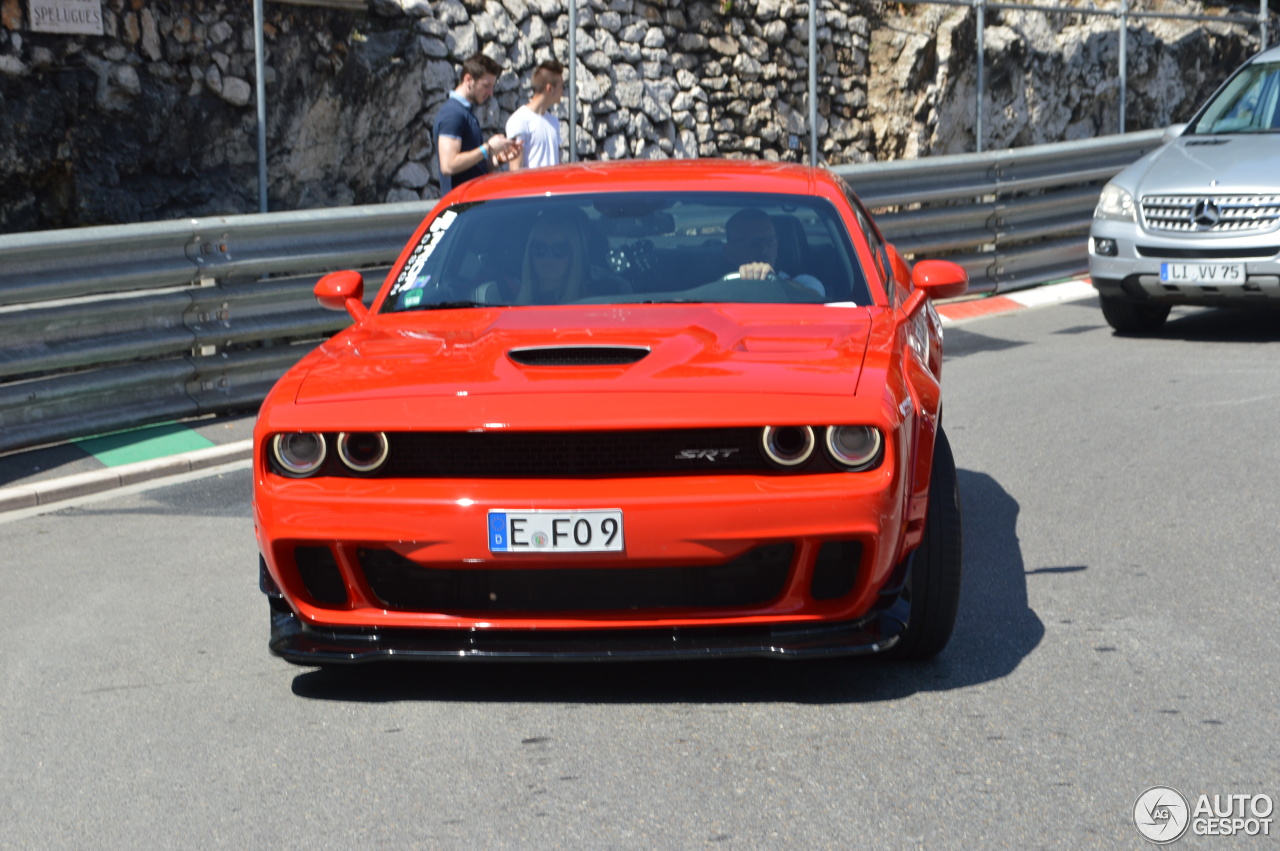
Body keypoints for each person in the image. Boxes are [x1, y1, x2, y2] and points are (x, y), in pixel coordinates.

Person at [434, 54, 521, 194]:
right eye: (486, 86)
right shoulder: (453, 114)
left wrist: (498, 159)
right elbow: (448, 166)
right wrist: (488, 148)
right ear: (468, 79)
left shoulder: (465, 112)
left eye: (492, 86)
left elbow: (471, 170)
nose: (491, 93)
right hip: (461, 207)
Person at [723, 208, 825, 296]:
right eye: (753, 242)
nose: (763, 249)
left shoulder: (804, 282)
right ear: (730, 252)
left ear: (777, 245)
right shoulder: (714, 290)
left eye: (769, 240)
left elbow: (815, 299)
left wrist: (772, 279)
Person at [505, 60, 565, 171]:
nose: (563, 92)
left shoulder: (554, 121)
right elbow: (515, 170)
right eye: (561, 87)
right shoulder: (519, 120)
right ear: (549, 89)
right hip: (532, 188)